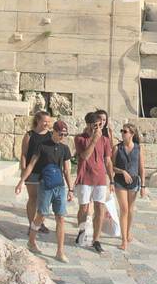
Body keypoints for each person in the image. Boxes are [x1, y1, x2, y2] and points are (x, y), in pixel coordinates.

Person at [22, 120, 73, 261]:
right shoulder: (42, 146)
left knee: (60, 218)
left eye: (65, 134)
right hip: (45, 185)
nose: (62, 137)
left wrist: (71, 189)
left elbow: (67, 170)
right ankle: (31, 241)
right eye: (60, 134)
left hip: (60, 186)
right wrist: (22, 181)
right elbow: (32, 164)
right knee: (41, 215)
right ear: (54, 132)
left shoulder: (65, 149)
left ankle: (60, 251)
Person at [73, 112, 115, 254]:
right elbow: (84, 156)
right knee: (84, 208)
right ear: (89, 125)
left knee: (100, 208)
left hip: (100, 178)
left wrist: (112, 179)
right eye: (95, 125)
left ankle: (96, 239)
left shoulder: (105, 140)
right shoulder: (80, 139)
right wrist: (94, 140)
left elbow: (108, 160)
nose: (98, 128)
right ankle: (82, 231)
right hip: (85, 177)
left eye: (99, 125)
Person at [16, 112, 53, 235]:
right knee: (33, 198)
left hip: (46, 172)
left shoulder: (51, 135)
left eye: (48, 121)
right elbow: (24, 154)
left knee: (44, 199)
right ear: (38, 121)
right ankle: (32, 224)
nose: (47, 124)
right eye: (44, 121)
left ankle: (39, 222)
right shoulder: (29, 135)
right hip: (32, 171)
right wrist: (23, 168)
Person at [113, 122, 145, 250]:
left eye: (125, 131)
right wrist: (123, 171)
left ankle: (127, 232)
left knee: (131, 210)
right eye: (122, 131)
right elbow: (112, 166)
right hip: (120, 181)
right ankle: (124, 240)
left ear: (132, 134)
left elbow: (141, 168)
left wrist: (143, 186)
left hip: (134, 182)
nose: (122, 133)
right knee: (124, 209)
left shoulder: (139, 148)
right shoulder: (117, 148)